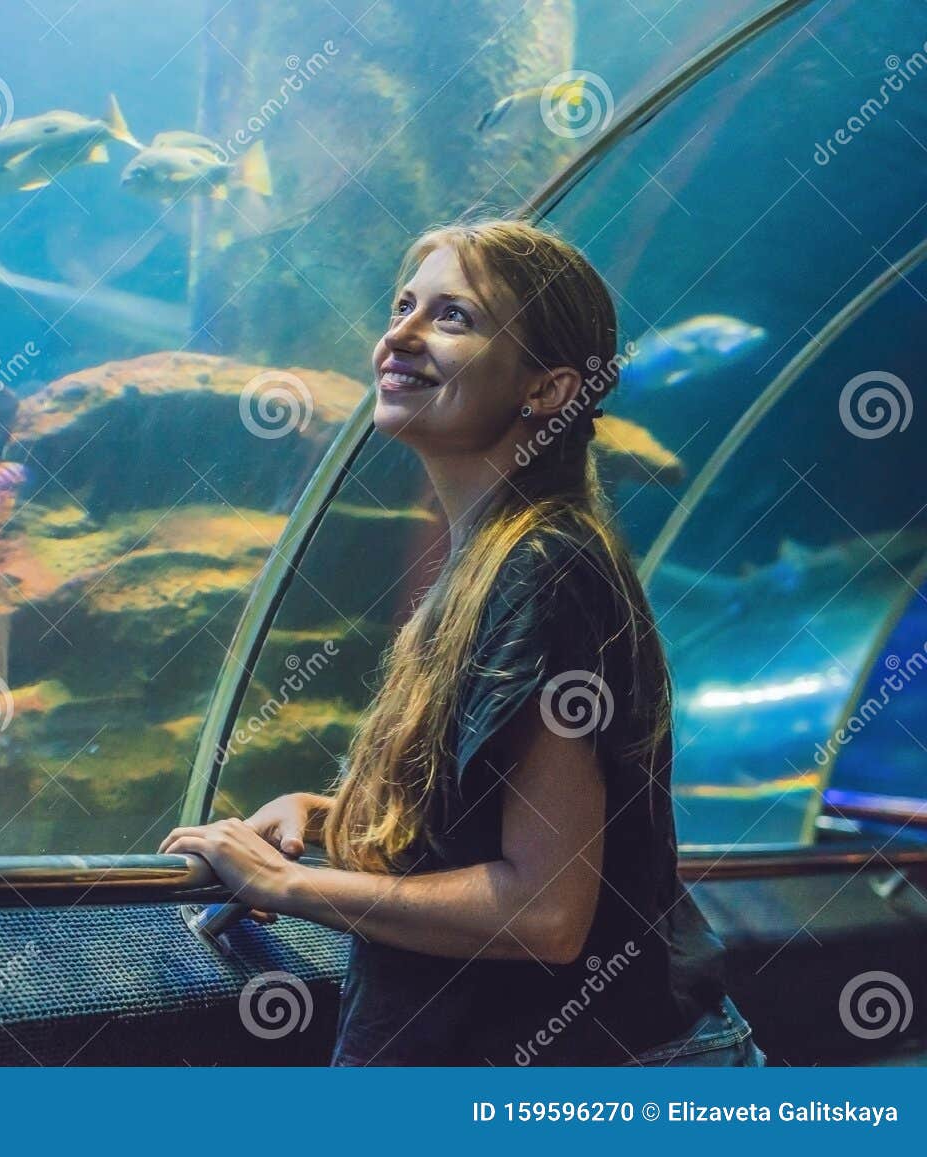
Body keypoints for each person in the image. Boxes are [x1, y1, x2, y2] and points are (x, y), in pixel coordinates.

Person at [159, 217, 766, 1067]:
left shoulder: (544, 568)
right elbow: (495, 825)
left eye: (453, 317)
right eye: (404, 305)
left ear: (548, 390)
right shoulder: (492, 560)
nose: (398, 335)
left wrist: (285, 884)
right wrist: (332, 818)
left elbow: (546, 911)